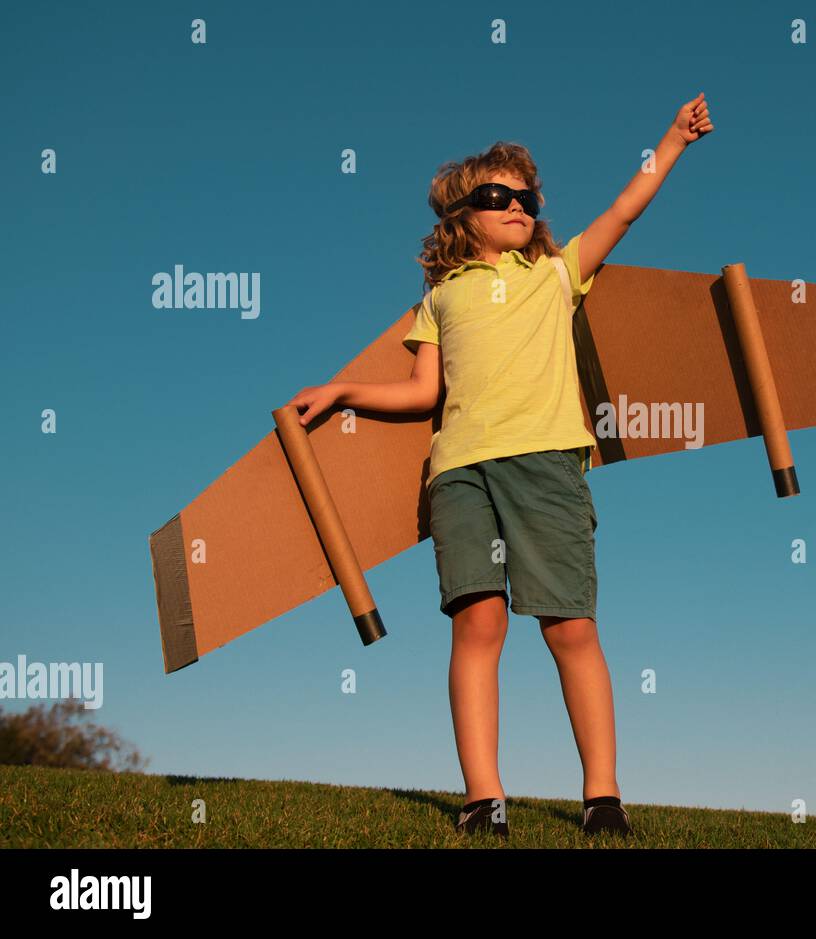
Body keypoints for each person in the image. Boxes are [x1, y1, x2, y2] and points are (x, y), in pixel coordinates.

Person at [287, 94, 714, 841]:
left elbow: (623, 210)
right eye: (497, 195)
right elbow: (424, 391)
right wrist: (345, 388)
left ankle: (602, 794)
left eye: (527, 195)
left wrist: (672, 142)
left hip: (546, 464)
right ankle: (484, 797)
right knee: (477, 626)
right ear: (462, 215)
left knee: (569, 625)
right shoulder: (440, 297)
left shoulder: (554, 273)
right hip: (459, 474)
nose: (517, 204)